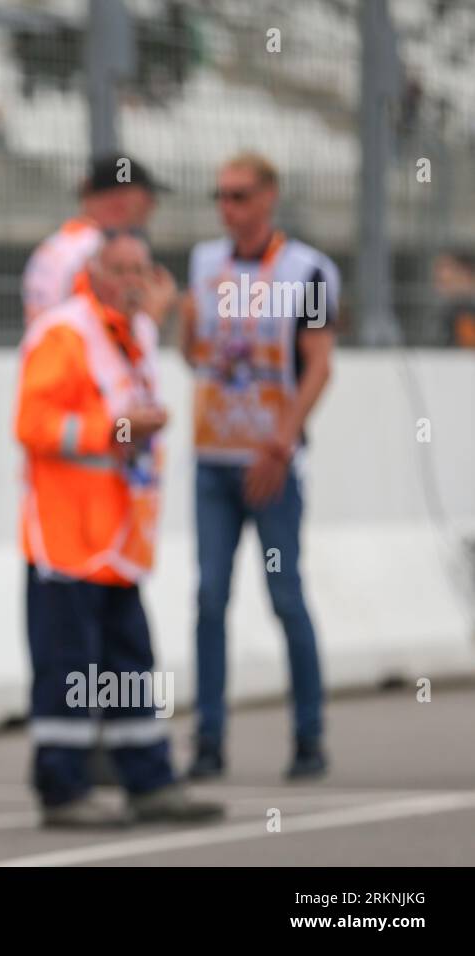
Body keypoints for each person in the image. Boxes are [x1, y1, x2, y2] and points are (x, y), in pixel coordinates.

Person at [16, 230, 222, 827]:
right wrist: (118, 425)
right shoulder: (65, 332)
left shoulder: (131, 337)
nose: (135, 279)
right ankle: (62, 789)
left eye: (143, 267)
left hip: (116, 541)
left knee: (130, 665)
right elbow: (34, 422)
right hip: (67, 539)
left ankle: (149, 780)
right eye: (122, 268)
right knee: (69, 665)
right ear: (96, 273)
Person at [179, 152, 339, 780]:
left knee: (285, 597)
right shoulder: (203, 263)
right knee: (209, 598)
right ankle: (209, 741)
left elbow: (321, 362)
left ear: (269, 196)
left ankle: (309, 737)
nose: (229, 208)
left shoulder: (311, 271)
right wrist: (184, 328)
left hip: (272, 463)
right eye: (221, 195)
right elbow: (196, 356)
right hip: (214, 461)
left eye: (241, 195)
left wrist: (283, 440)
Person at [21, 153, 166, 328]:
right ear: (121, 198)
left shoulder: (59, 243)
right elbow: (102, 330)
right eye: (148, 197)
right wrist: (151, 315)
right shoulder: (97, 249)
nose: (153, 206)